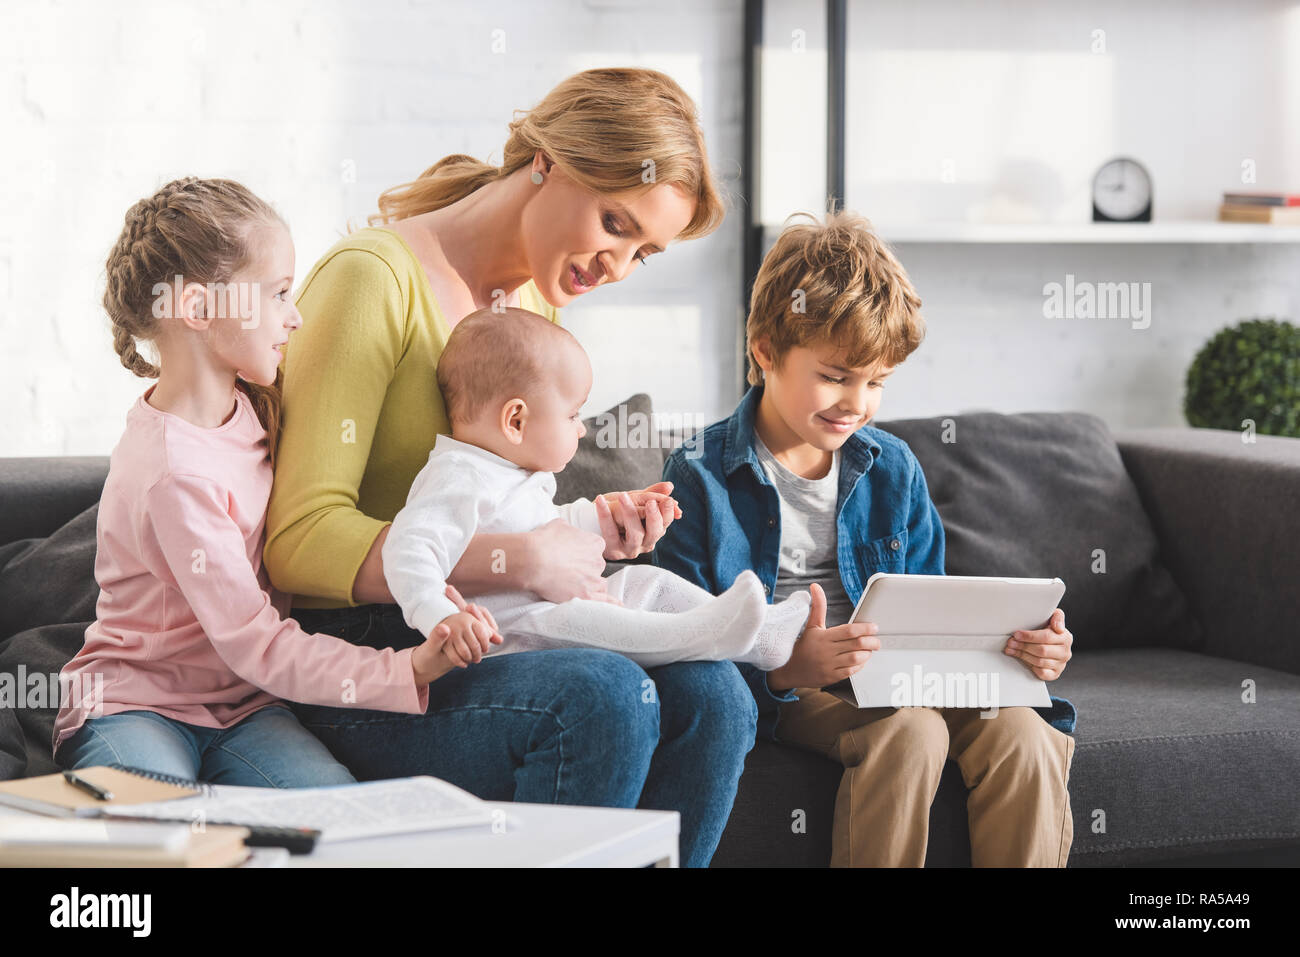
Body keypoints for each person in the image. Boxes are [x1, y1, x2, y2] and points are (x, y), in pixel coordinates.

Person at [263, 67, 752, 866]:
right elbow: (297, 540)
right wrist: (520, 558)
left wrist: (586, 529)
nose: (617, 265)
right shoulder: (370, 281)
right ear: (549, 161)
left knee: (717, 696)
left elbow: (501, 502)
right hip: (369, 658)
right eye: (613, 222)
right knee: (603, 698)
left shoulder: (532, 307)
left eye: (644, 251)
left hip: (498, 639)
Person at [655, 209, 1078, 867]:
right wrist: (792, 667)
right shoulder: (701, 474)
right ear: (765, 349)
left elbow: (931, 609)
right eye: (835, 374)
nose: (856, 401)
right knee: (908, 732)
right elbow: (682, 643)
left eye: (876, 381)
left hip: (903, 673)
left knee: (1024, 731)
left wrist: (1019, 651)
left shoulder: (891, 463)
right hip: (799, 687)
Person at [55, 177, 476, 786]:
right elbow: (257, 643)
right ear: (198, 310)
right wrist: (406, 667)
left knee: (338, 826)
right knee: (153, 829)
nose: (296, 316)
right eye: (279, 293)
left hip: (245, 708)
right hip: (137, 705)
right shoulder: (175, 472)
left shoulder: (254, 407)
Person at [383, 306, 814, 670]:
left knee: (645, 582)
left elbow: (547, 528)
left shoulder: (514, 472)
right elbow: (407, 550)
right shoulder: (458, 477)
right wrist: (442, 618)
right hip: (514, 632)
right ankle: (702, 635)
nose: (583, 428)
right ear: (516, 421)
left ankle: (764, 633)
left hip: (556, 608)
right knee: (596, 622)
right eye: (573, 414)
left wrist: (601, 518)